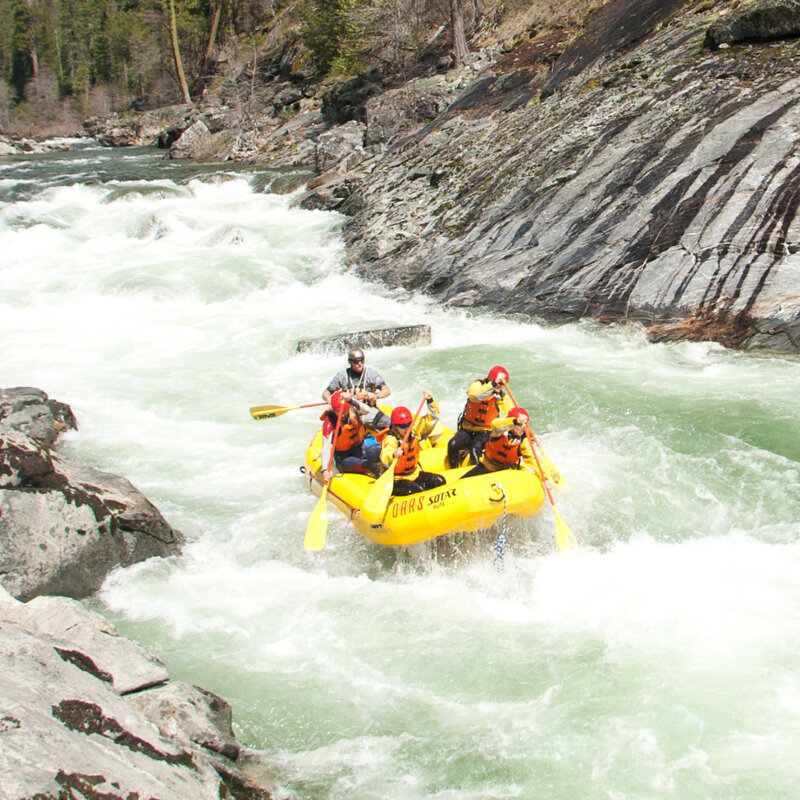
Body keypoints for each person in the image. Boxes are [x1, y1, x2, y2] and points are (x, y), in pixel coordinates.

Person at [446, 365, 513, 469]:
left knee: (475, 449)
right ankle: (453, 470)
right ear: (492, 379)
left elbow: (510, 414)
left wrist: (519, 423)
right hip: (467, 429)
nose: (501, 387)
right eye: (500, 383)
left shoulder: (500, 397)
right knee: (453, 444)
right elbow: (475, 397)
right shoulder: (477, 385)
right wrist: (493, 385)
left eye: (503, 384)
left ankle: (474, 476)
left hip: (485, 432)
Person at [379, 393, 446, 496]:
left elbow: (431, 420)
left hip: (414, 474)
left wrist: (430, 401)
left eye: (408, 425)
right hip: (396, 480)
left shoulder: (413, 432)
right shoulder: (391, 439)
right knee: (420, 491)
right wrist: (393, 454)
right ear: (395, 426)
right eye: (402, 426)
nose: (406, 429)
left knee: (440, 481)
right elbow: (386, 454)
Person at [322, 348, 391, 431]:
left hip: (368, 411)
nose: (360, 364)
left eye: (362, 361)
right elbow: (326, 393)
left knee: (388, 423)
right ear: (350, 362)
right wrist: (329, 398)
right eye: (356, 362)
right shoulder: (342, 376)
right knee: (330, 416)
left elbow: (387, 391)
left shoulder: (371, 374)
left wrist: (376, 396)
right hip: (348, 413)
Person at [321, 391, 381, 482]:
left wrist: (351, 400)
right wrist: (325, 469)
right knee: (372, 466)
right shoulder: (330, 422)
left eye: (345, 411)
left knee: (384, 452)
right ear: (334, 410)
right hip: (345, 459)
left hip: (361, 449)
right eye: (338, 412)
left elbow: (368, 410)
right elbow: (325, 448)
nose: (343, 414)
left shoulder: (352, 407)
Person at [461, 407, 537, 479]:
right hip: (487, 466)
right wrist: (514, 421)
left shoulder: (524, 441)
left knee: (509, 467)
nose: (523, 428)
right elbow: (495, 424)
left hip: (506, 471)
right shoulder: (499, 432)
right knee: (464, 480)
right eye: (519, 425)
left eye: (525, 424)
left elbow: (533, 459)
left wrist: (544, 477)